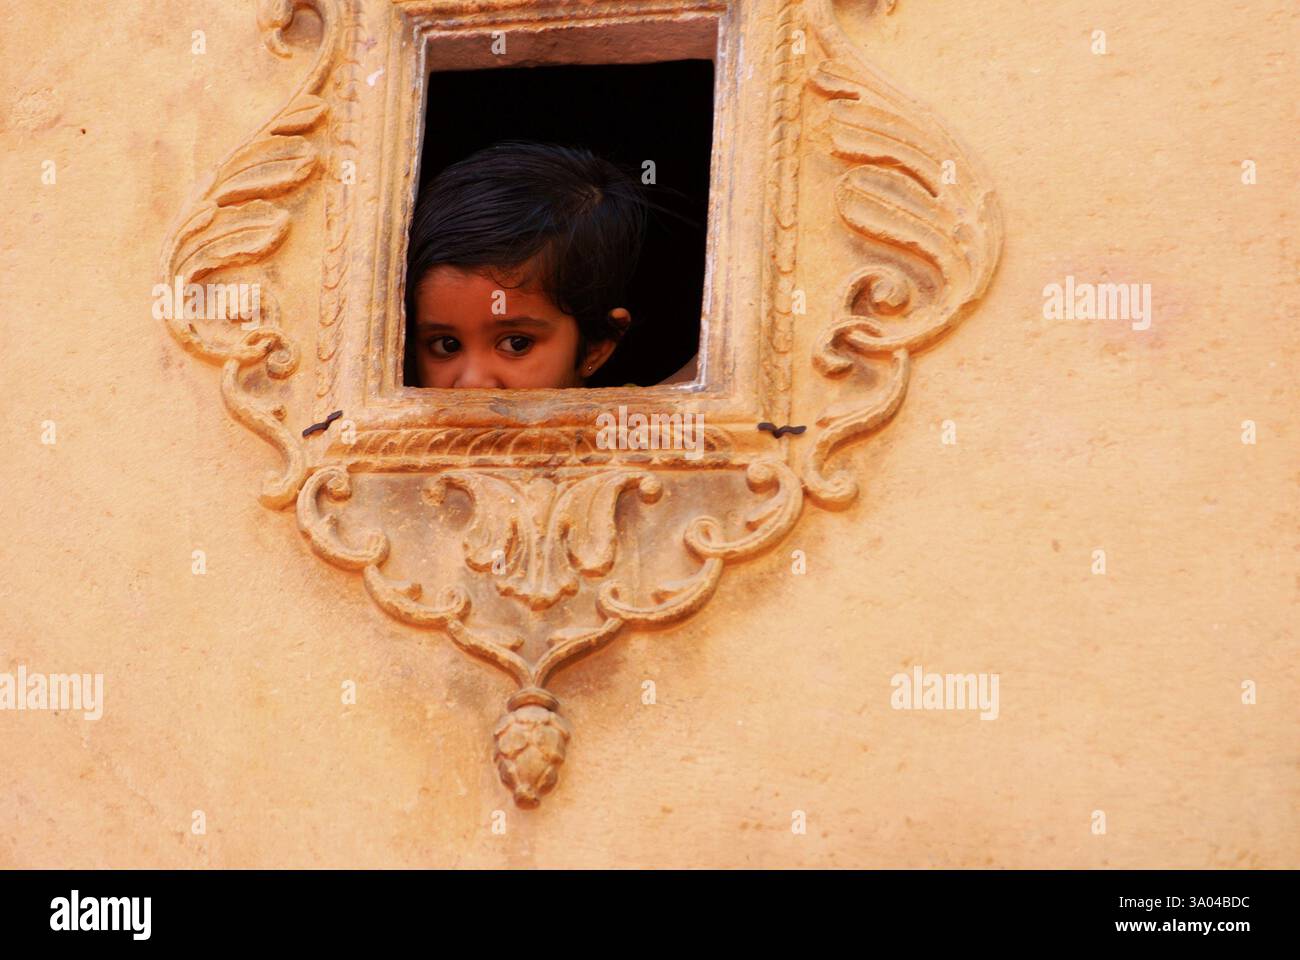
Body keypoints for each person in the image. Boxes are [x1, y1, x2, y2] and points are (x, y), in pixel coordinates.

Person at [405, 140, 664, 389]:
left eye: (516, 343)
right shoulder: (396, 433)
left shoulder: (637, 430)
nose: (472, 381)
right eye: (446, 345)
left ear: (595, 348)